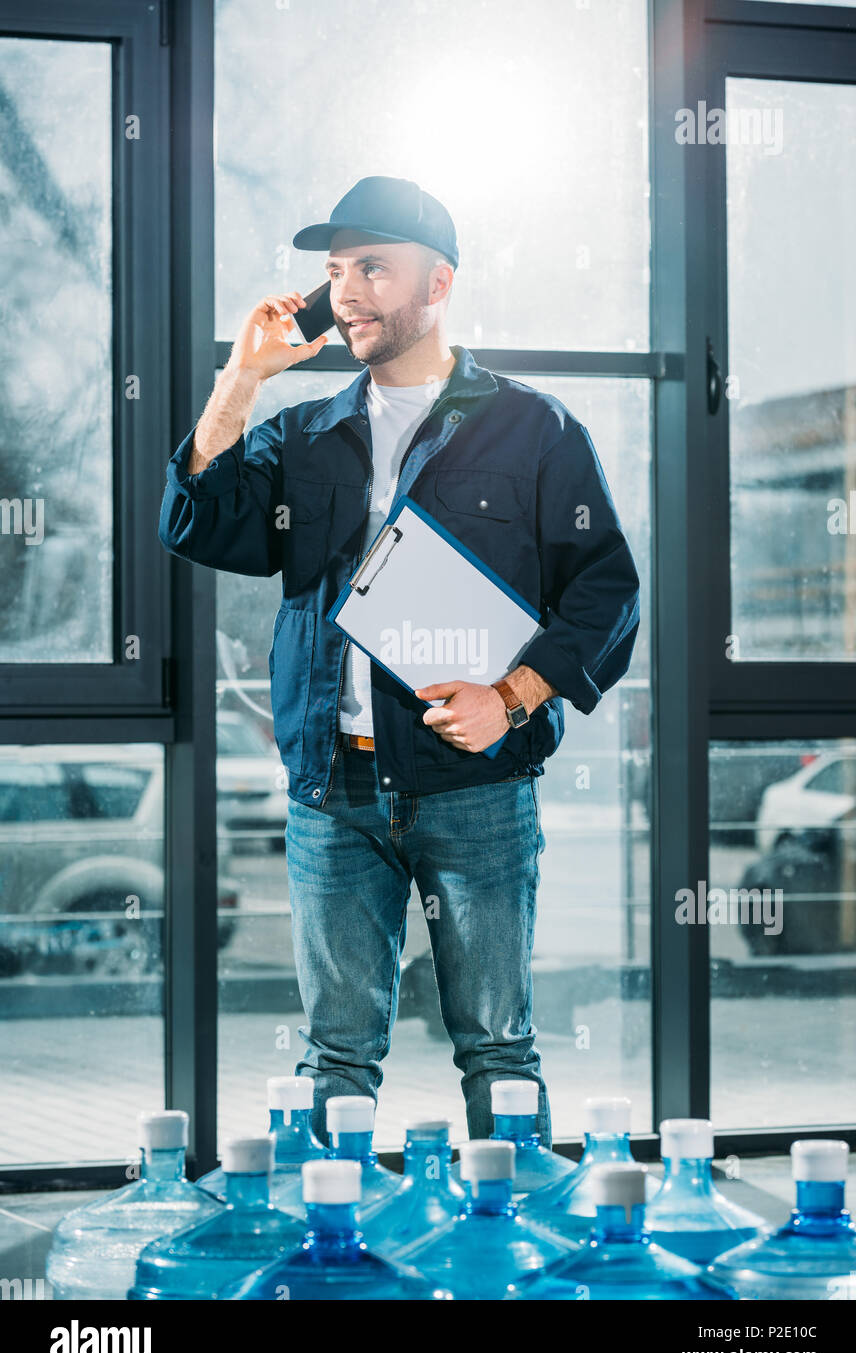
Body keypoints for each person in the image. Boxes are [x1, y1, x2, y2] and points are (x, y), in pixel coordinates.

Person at [159, 176, 640, 1147]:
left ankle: (516, 1264)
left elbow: (606, 590)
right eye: (336, 271)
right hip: (330, 792)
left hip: (477, 785)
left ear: (439, 282)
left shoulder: (532, 430)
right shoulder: (303, 433)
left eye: (373, 267)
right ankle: (336, 1268)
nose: (347, 293)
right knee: (335, 1054)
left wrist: (513, 694)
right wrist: (242, 378)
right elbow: (193, 519)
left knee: (499, 1045)